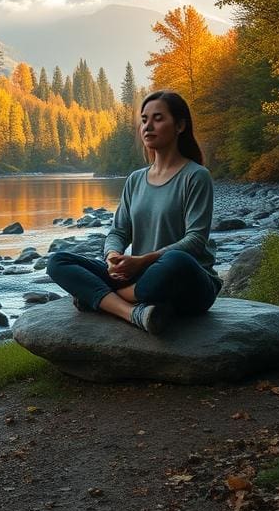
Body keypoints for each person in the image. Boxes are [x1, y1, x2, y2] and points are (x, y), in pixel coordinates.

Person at [46, 90, 222, 334]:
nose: (148, 126)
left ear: (180, 125)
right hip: (141, 279)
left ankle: (99, 298)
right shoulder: (136, 179)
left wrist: (142, 261)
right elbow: (118, 231)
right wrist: (112, 258)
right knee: (58, 260)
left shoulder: (196, 176)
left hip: (187, 283)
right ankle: (132, 312)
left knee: (176, 260)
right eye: (144, 120)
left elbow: (195, 240)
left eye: (158, 118)